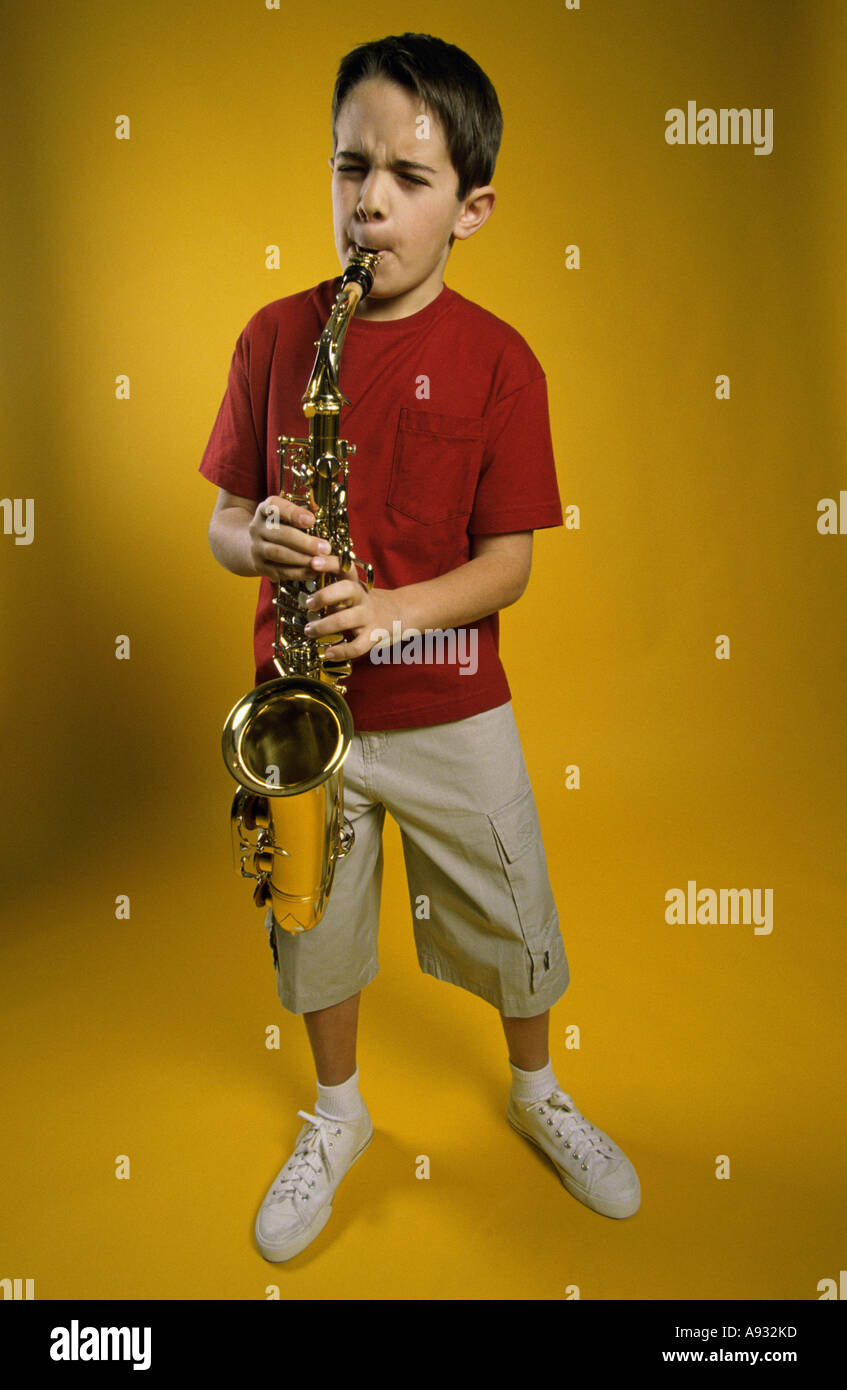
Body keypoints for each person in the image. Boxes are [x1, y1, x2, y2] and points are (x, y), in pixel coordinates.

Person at [200, 32, 640, 1263]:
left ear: (472, 207)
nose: (371, 201)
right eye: (350, 168)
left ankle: (538, 1089)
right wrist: (260, 536)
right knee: (316, 926)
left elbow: (511, 563)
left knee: (514, 911)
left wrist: (392, 612)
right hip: (304, 705)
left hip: (452, 704)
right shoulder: (276, 337)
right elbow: (221, 524)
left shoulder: (503, 362)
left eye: (407, 176)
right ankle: (336, 1114)